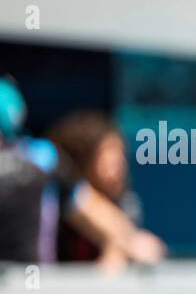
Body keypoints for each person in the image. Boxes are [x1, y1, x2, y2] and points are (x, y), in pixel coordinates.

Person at [0, 77, 164, 267]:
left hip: (29, 279)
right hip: (33, 279)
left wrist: (118, 252)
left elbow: (113, 228)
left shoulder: (41, 159)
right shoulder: (41, 157)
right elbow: (110, 225)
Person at [45, 109, 160, 266]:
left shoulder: (127, 204)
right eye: (108, 155)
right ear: (83, 161)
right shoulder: (53, 204)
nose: (119, 165)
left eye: (121, 154)